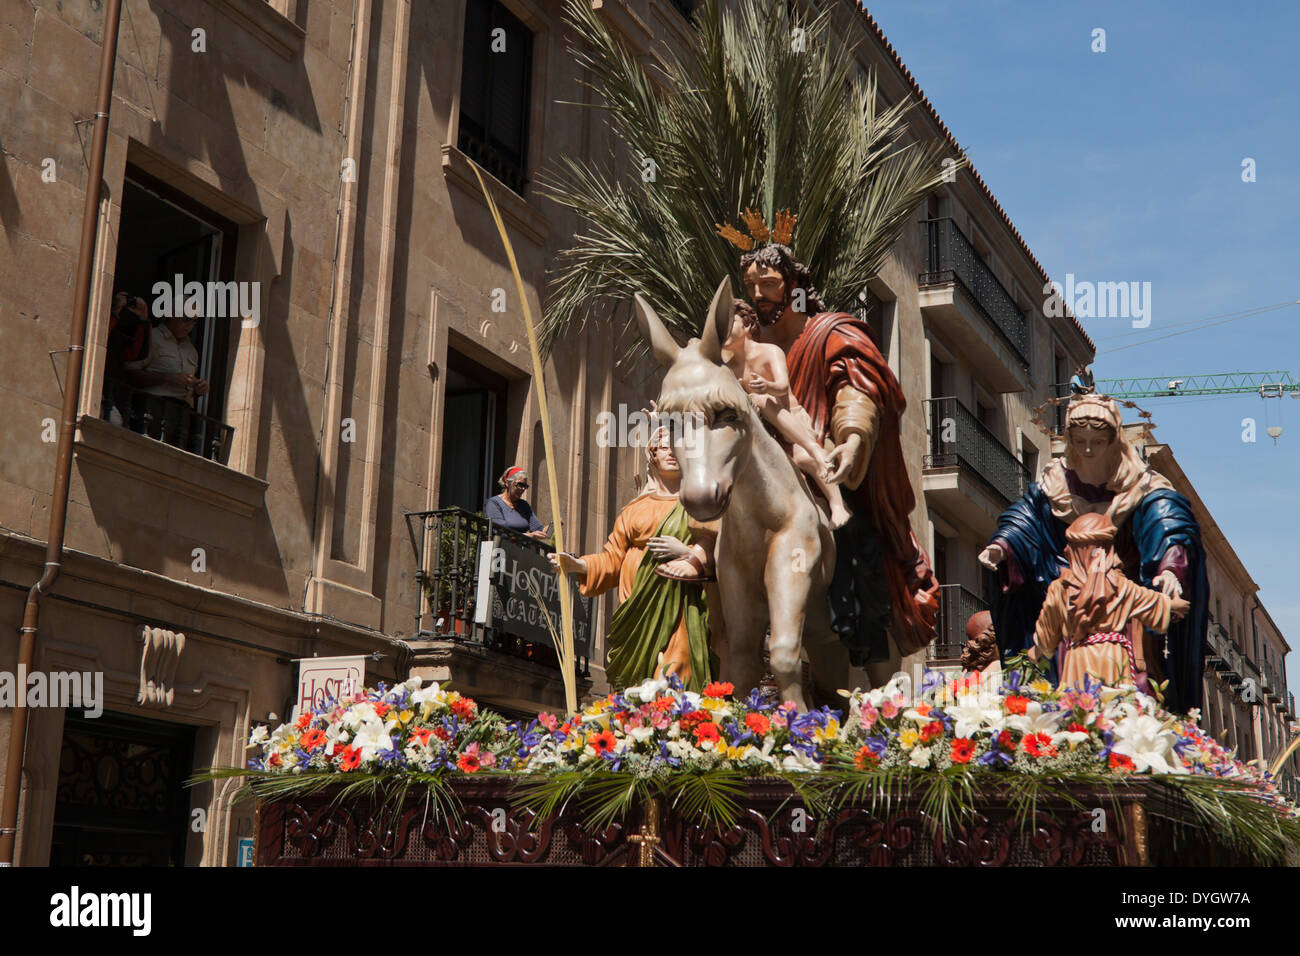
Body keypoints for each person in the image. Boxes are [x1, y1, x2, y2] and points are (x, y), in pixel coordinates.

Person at [717, 213, 940, 668]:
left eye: (771, 285)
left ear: (795, 284)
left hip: (820, 458)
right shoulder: (740, 343)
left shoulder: (833, 333)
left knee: (858, 542)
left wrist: (853, 438)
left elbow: (857, 388)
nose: (758, 297)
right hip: (754, 469)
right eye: (751, 286)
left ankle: (871, 653)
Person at [978, 392, 1208, 712]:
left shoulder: (1141, 484)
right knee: (1072, 703)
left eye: (1097, 441)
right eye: (1080, 440)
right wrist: (1003, 546)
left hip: (1126, 630)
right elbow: (1024, 522)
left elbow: (1169, 523)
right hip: (1073, 648)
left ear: (1113, 440)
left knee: (1130, 695)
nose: (1087, 449)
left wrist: (1171, 567)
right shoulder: (1055, 485)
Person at [548, 426, 716, 691]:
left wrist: (684, 552)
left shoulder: (697, 503)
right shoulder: (634, 508)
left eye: (677, 446)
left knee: (674, 673)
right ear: (652, 454)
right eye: (663, 446)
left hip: (680, 606)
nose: (671, 452)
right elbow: (613, 558)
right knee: (638, 685)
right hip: (635, 610)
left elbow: (717, 550)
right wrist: (578, 564)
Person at [722, 298, 851, 528]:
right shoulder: (728, 368)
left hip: (792, 421)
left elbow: (782, 386)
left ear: (747, 324)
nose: (723, 330)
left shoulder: (769, 351)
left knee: (802, 455)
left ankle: (837, 504)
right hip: (764, 430)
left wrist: (766, 387)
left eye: (728, 322)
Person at [1030, 513, 1189, 692]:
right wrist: (1174, 603)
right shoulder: (1121, 586)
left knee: (1080, 710)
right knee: (1116, 711)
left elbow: (1047, 633)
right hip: (1113, 657)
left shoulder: (1060, 588)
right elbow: (1157, 604)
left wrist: (1033, 654)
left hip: (1078, 660)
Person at [122, 302, 210, 451]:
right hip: (153, 409)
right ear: (171, 313)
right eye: (186, 318)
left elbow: (188, 389)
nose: (190, 325)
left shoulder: (191, 351)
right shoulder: (153, 337)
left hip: (182, 416)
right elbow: (129, 374)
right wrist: (167, 378)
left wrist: (198, 388)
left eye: (195, 321)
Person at [484, 467, 551, 539]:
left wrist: (555, 526)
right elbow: (502, 532)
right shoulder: (494, 503)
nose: (523, 489)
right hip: (502, 548)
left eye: (525, 486)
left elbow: (539, 531)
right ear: (507, 483)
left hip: (521, 549)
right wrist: (529, 535)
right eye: (520, 485)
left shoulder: (524, 505)